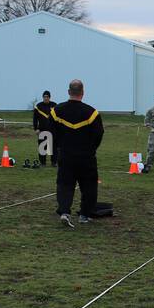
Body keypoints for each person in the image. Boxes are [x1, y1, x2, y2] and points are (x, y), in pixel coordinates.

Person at [51, 79, 104, 227]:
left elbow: (51, 132)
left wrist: (59, 147)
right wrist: (91, 148)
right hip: (86, 156)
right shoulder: (92, 113)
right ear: (83, 93)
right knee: (89, 186)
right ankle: (84, 215)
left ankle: (64, 212)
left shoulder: (57, 111)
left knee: (64, 184)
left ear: (69, 92)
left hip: (66, 155)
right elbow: (99, 134)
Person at [33, 90, 58, 166]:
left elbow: (58, 118)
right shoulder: (38, 106)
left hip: (53, 130)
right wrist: (36, 128)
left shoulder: (55, 106)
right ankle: (42, 163)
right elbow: (35, 119)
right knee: (42, 147)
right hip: (42, 130)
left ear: (49, 97)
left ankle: (54, 162)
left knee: (53, 147)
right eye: (44, 97)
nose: (45, 98)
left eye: (47, 97)